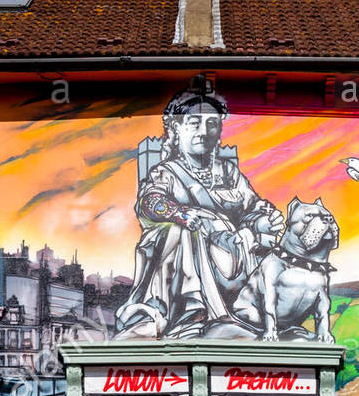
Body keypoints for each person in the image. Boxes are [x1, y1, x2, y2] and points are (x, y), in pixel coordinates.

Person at [116, 86, 284, 340]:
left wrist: (266, 220)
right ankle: (191, 312)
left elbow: (252, 207)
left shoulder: (228, 172)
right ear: (176, 129)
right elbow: (150, 202)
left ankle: (244, 312)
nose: (203, 132)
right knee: (180, 230)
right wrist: (180, 213)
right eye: (194, 123)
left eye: (212, 124)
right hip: (183, 252)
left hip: (232, 255)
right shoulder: (167, 172)